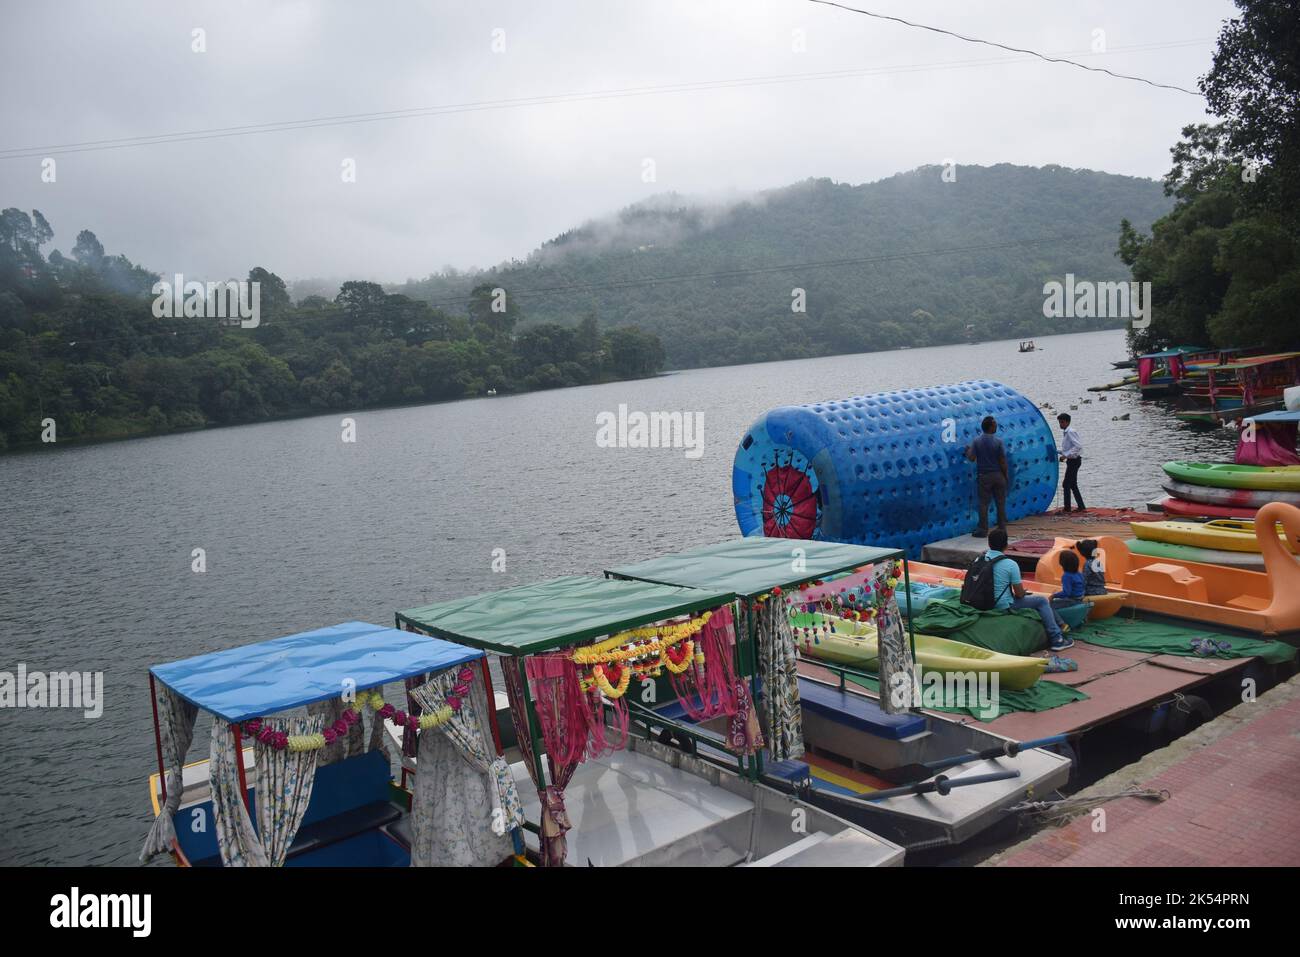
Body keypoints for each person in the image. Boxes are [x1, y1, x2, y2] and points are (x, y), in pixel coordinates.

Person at [986, 528, 1073, 652]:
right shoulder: (1010, 564)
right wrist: (1022, 593)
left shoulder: (979, 559)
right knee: (1041, 600)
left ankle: (1058, 631)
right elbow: (1019, 594)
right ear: (1006, 545)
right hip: (1001, 605)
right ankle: (1056, 639)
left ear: (989, 544)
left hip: (982, 601)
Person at [964, 415, 1008, 537]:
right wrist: (1005, 476)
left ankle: (983, 530)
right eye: (995, 425)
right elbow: (1003, 461)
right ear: (990, 427)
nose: (996, 427)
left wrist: (967, 451)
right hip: (998, 475)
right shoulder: (998, 442)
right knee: (1000, 503)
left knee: (983, 503)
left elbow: (972, 458)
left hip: (984, 476)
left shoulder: (977, 441)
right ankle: (1002, 529)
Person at [1057, 413, 1085, 512]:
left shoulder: (1070, 432)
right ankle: (1081, 506)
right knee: (1072, 484)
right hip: (1072, 460)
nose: (1060, 424)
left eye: (1062, 422)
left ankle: (1067, 508)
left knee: (1066, 484)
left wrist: (1065, 456)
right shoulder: (1066, 432)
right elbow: (1068, 449)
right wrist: (1058, 451)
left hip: (1074, 461)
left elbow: (1078, 446)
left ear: (1067, 422)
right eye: (1059, 422)